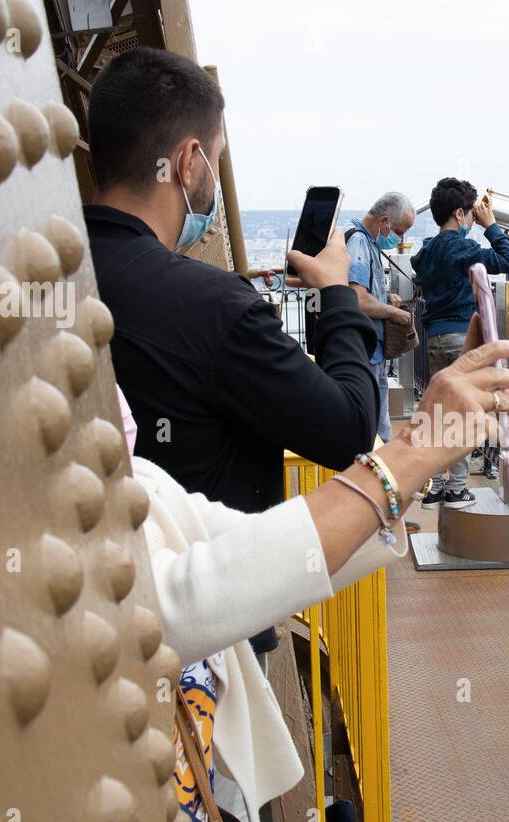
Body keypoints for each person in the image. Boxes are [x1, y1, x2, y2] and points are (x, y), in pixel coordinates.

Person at [122, 319, 509, 822]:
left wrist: (422, 457)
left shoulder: (136, 480)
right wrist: (412, 452)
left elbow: (251, 549)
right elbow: (171, 606)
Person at [84, 47, 380, 657]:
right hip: (209, 634)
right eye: (215, 158)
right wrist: (335, 297)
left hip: (93, 611)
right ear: (190, 162)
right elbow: (349, 426)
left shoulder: (48, 272)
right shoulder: (211, 305)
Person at [410, 178, 509, 509]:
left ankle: (437, 485)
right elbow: (508, 262)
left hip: (436, 338)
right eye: (471, 215)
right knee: (467, 412)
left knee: (444, 412)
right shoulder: (460, 247)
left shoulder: (428, 249)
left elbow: (418, 270)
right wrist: (492, 226)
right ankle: (457, 488)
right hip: (463, 338)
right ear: (460, 213)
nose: (472, 221)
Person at [345, 192, 416, 443]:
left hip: (370, 349)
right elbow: (358, 299)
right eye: (399, 230)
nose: (400, 238)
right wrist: (394, 313)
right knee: (374, 425)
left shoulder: (367, 243)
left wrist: (385, 300)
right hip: (365, 349)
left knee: (379, 422)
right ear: (385, 221)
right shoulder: (360, 244)